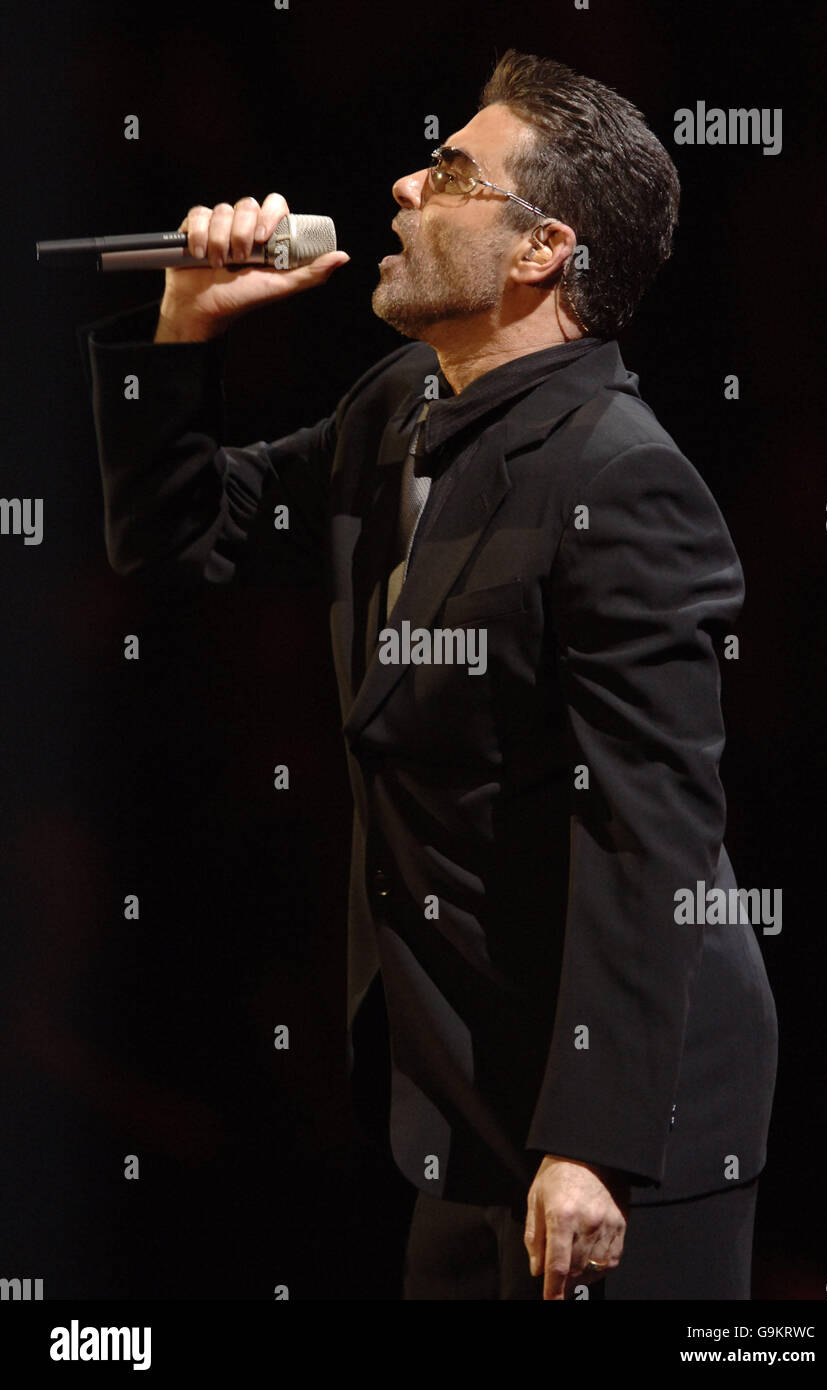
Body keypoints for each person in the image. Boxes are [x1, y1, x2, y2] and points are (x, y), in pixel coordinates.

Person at [81, 49, 777, 1300]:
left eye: (451, 172)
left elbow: (650, 832)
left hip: (622, 1124)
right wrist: (180, 325)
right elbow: (185, 535)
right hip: (459, 1101)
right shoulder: (400, 402)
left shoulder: (622, 478)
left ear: (540, 249)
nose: (403, 183)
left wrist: (592, 1146)